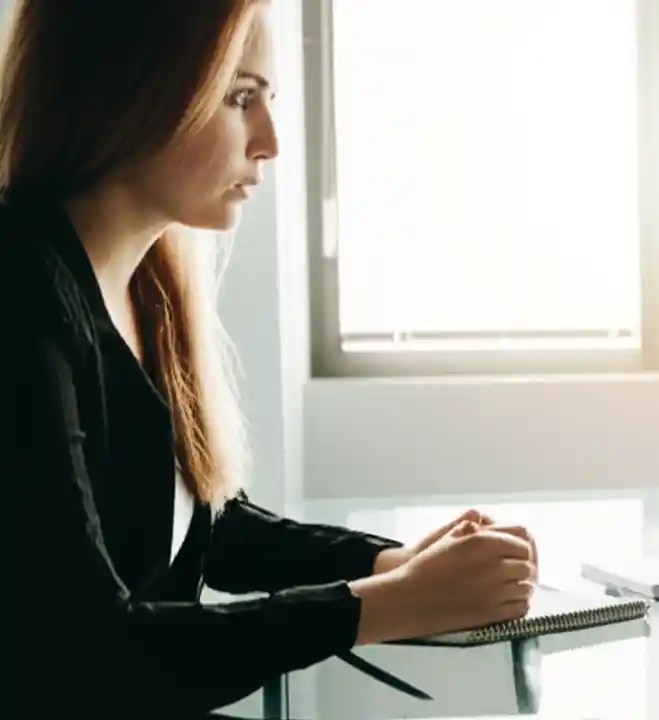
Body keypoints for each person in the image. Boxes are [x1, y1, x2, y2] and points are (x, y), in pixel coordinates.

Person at [1, 0, 539, 714]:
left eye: (268, 99)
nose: (270, 142)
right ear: (132, 87)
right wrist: (386, 603)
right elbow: (87, 652)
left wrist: (396, 565)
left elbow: (208, 527)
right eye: (240, 97)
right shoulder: (22, 292)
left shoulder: (147, 287)